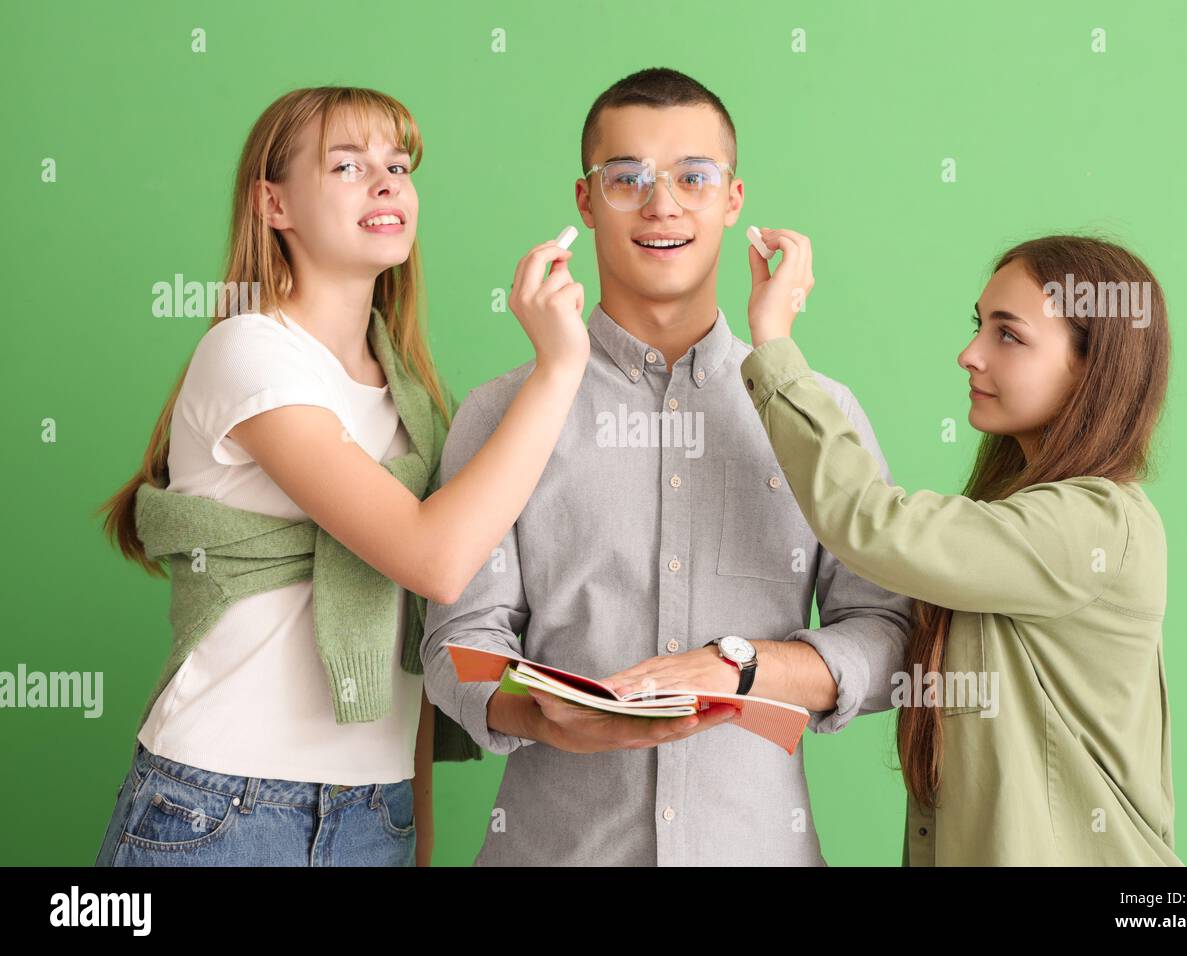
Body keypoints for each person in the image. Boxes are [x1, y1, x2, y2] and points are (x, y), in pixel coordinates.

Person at [422, 67, 911, 866]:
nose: (663, 204)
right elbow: (457, 645)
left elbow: (890, 632)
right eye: (628, 178)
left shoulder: (819, 412)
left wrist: (748, 670)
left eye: (693, 176)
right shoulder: (501, 413)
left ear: (733, 199)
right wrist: (544, 714)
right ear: (585, 202)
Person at [93, 86, 588, 866]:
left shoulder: (416, 397)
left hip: (374, 813)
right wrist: (558, 371)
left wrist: (413, 833)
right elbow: (434, 559)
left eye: (398, 164)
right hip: (219, 806)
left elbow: (415, 641)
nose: (386, 182)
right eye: (347, 165)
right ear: (273, 203)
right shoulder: (250, 352)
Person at [740, 234, 1181, 865]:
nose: (969, 354)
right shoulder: (1029, 517)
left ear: (1092, 366)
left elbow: (874, 524)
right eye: (980, 325)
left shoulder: (1096, 526)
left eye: (1009, 335)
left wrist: (773, 340)